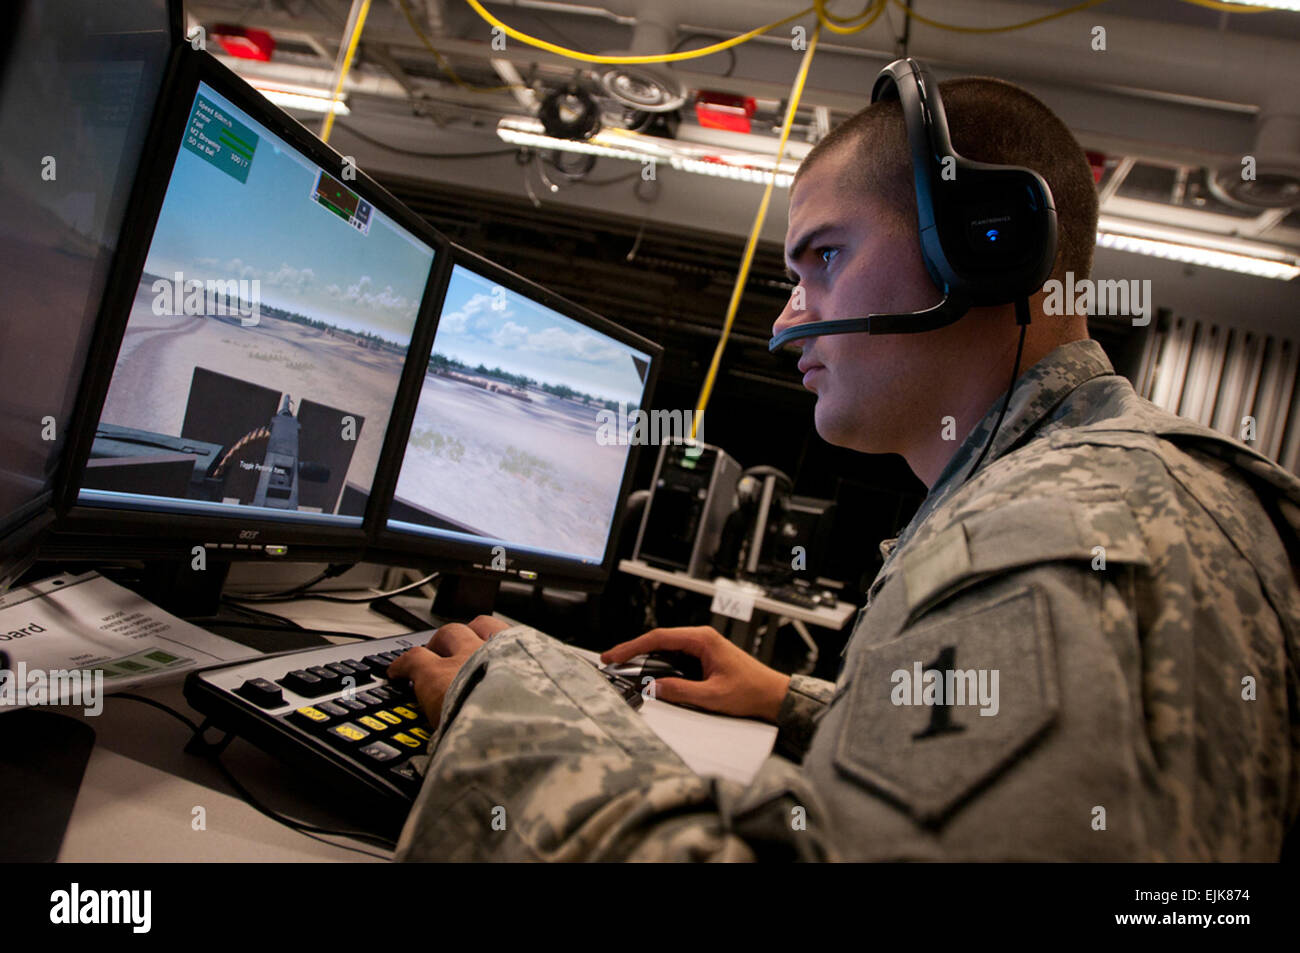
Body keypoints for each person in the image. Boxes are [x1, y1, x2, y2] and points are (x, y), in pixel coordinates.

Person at [389, 75, 1300, 861]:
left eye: (824, 257)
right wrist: (799, 702)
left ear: (986, 247)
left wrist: (507, 706)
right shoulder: (1127, 479)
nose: (786, 324)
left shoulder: (1056, 534)